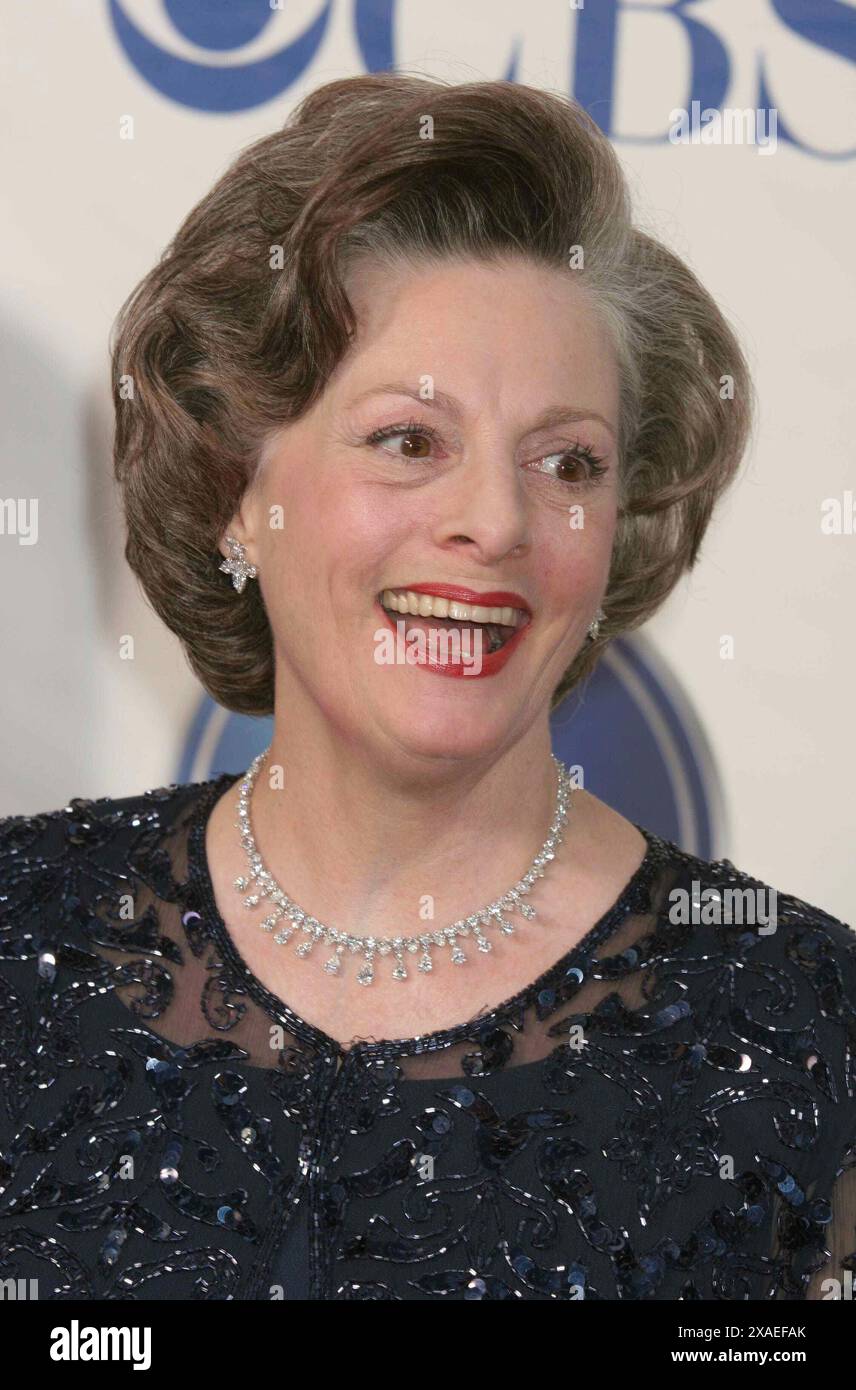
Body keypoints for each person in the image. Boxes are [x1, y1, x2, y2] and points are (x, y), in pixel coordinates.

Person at [0, 73, 853, 1303]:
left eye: (567, 461)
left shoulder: (806, 1024)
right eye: (410, 440)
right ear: (239, 482)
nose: (496, 522)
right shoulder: (23, 937)